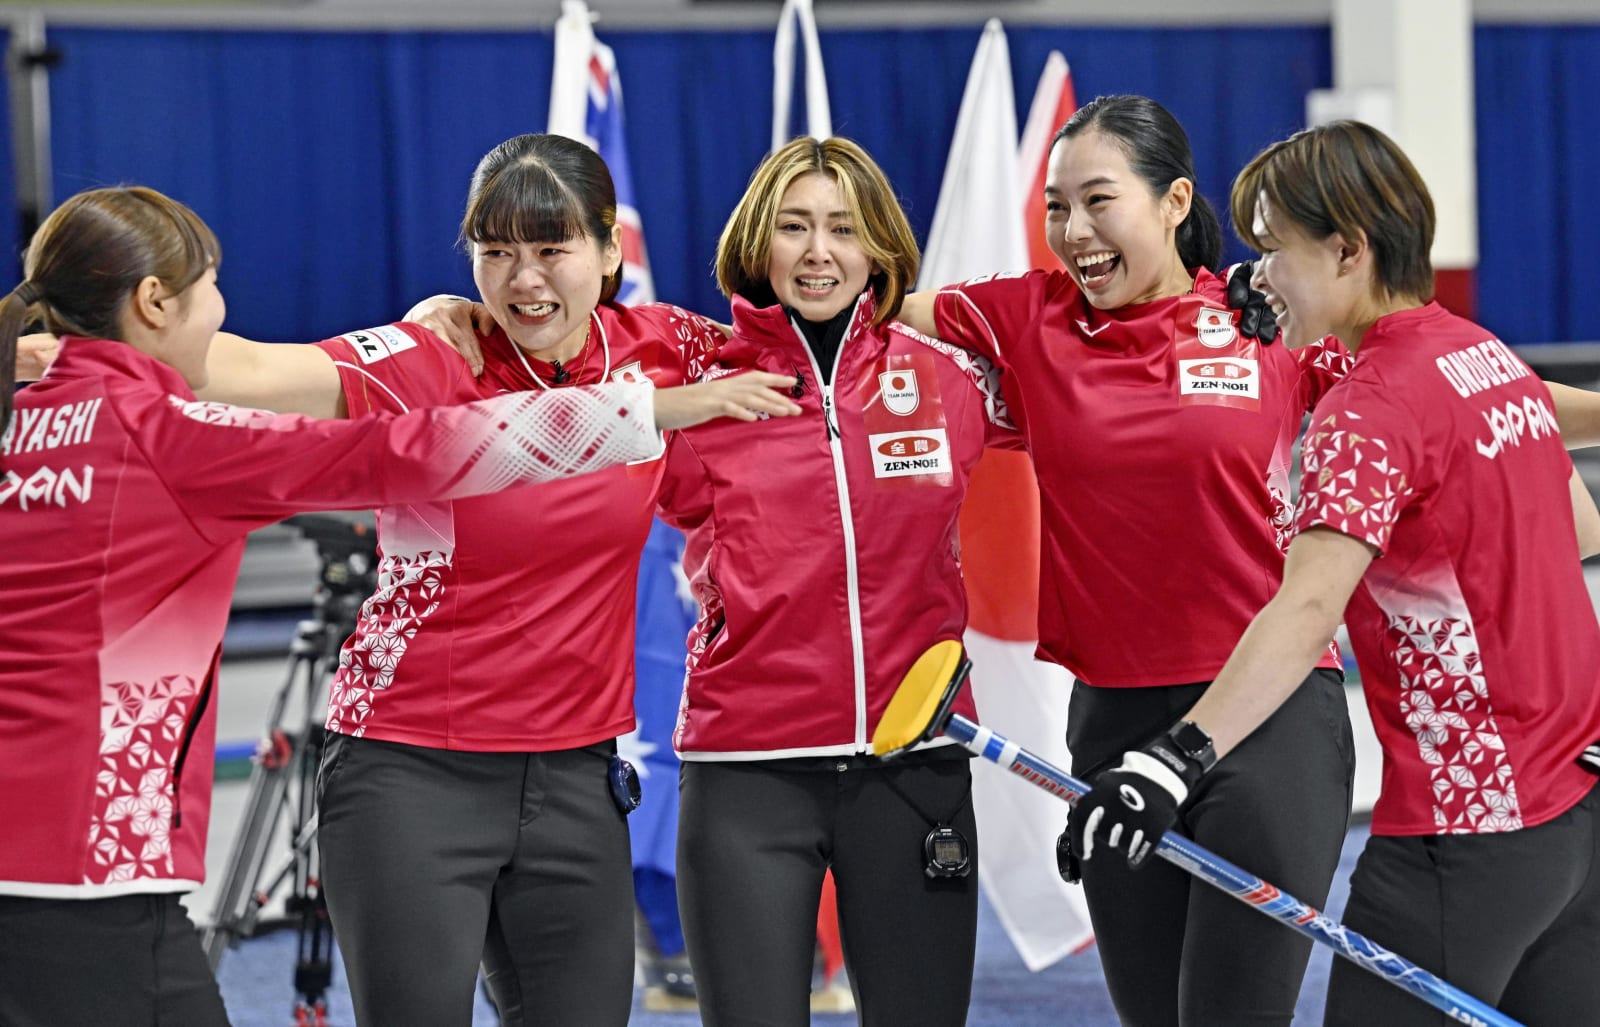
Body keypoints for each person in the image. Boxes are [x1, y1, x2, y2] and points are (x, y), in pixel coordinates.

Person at [13, 134, 802, 1027]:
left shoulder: (666, 349)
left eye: (551, 250)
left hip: (579, 774)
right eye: (495, 252)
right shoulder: (424, 356)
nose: (523, 279)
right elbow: (246, 371)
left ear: (611, 250)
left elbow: (820, 361)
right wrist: (66, 350)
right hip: (412, 768)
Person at [1071, 118, 1600, 1026]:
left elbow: (1307, 607)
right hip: (1573, 821)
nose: (1261, 275)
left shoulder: (1366, 412)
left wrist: (1172, 759)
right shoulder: (1482, 359)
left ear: (1348, 250)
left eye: (1274, 250)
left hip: (1459, 832)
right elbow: (1579, 529)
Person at [886, 94, 1357, 1025]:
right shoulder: (1025, 315)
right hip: (1111, 723)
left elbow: (1459, 392)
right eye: (1057, 206)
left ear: (1176, 200)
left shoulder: (1261, 317)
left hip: (1269, 718)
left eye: (1099, 201)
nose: (1073, 231)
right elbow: (856, 314)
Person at [654, 136, 1016, 1027]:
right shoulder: (698, 386)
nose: (820, 252)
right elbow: (562, 389)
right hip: (747, 769)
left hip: (913, 761)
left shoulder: (948, 378)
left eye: (844, 229)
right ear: (758, 243)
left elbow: (1103, 382)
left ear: (880, 248)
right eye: (795, 226)